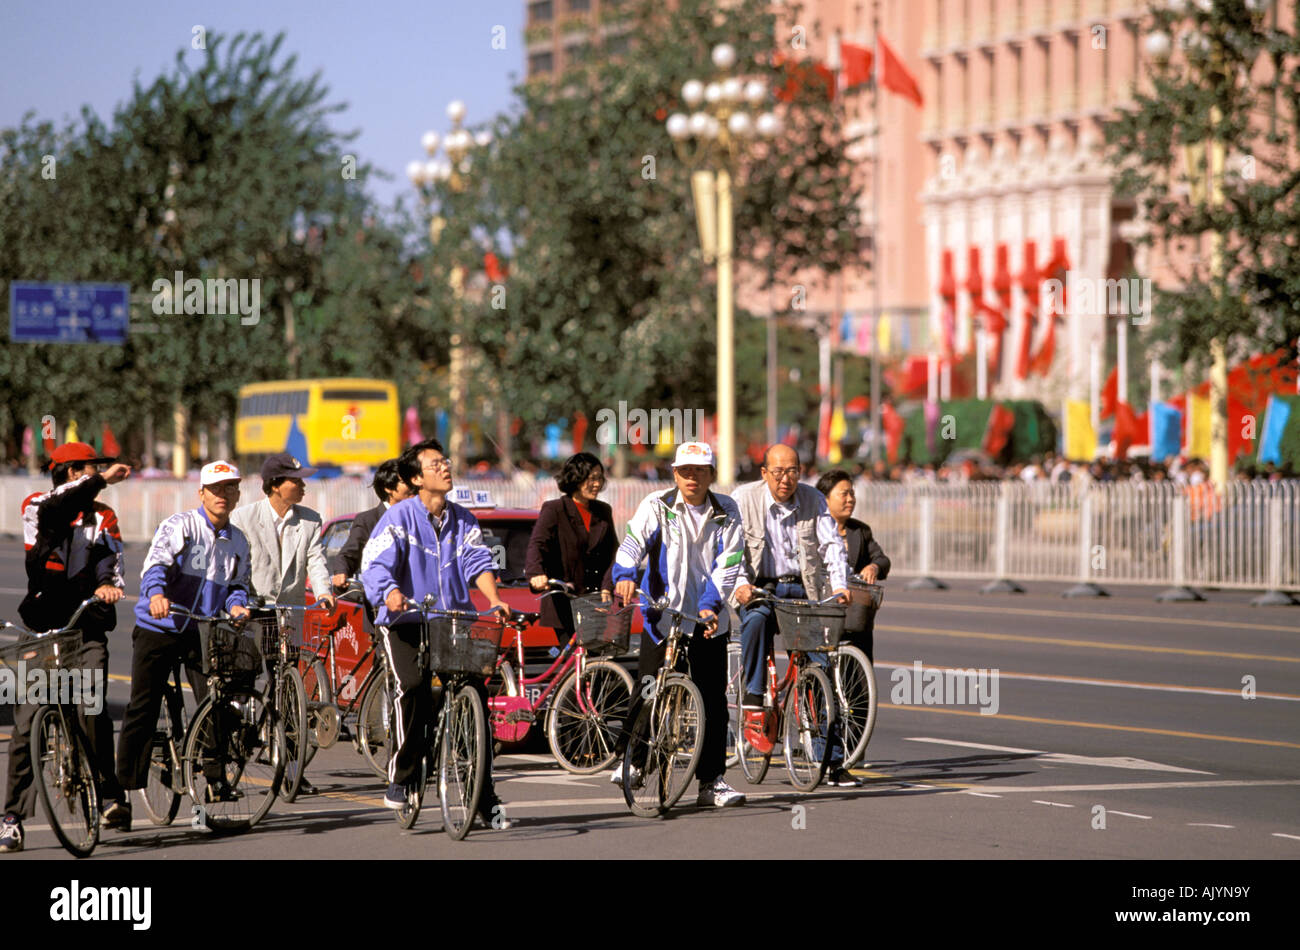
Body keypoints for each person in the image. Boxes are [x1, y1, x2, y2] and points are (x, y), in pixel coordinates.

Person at [360, 438, 513, 828]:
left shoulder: (464, 520)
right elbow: (375, 565)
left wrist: (494, 600)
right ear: (415, 478)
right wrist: (391, 592)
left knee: (473, 696)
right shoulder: (398, 518)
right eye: (434, 464)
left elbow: (478, 562)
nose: (445, 468)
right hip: (406, 622)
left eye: (445, 462)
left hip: (453, 622)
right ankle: (403, 775)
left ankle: (483, 795)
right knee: (412, 688)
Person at [2, 444, 132, 854]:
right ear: (68, 472)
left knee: (92, 710)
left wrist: (108, 584)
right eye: (86, 471)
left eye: (96, 471)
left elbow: (111, 559)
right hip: (39, 627)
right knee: (26, 726)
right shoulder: (36, 505)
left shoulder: (103, 516)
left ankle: (109, 794)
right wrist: (97, 479)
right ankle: (12, 817)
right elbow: (54, 512)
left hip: (84, 627)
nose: (96, 478)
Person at [610, 442, 747, 808]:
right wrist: (624, 574)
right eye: (685, 470)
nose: (692, 477)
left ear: (710, 475)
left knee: (712, 701)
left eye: (700, 470)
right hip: (662, 614)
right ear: (675, 473)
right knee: (649, 689)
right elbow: (633, 542)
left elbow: (729, 563)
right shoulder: (657, 504)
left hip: (707, 618)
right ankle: (634, 762)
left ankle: (711, 782)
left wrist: (709, 606)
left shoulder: (727, 510)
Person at [115, 461, 252, 806]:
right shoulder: (181, 526)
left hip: (201, 630)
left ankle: (215, 778)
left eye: (230, 488)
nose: (223, 495)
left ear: (237, 495)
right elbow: (156, 564)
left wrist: (237, 605)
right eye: (216, 489)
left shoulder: (238, 540)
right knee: (142, 706)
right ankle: (119, 794)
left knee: (215, 701)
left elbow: (238, 585)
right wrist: (157, 595)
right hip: (159, 627)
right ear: (201, 494)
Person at [731, 444, 854, 786]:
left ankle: (831, 760)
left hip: (803, 590)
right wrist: (741, 584)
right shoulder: (743, 500)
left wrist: (840, 585)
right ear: (764, 473)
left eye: (793, 471)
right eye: (778, 472)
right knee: (754, 620)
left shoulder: (813, 500)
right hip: (761, 588)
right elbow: (731, 550)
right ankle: (755, 701)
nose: (786, 480)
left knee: (819, 667)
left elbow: (831, 545)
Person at [525, 452, 616, 638]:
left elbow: (614, 554)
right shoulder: (555, 509)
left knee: (593, 662)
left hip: (594, 603)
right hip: (564, 600)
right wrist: (536, 574)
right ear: (576, 478)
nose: (597, 484)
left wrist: (607, 586)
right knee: (571, 661)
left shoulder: (603, 511)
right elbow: (537, 544)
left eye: (600, 478)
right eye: (591, 479)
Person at [816, 469, 890, 663]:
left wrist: (873, 567)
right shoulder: (811, 530)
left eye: (852, 494)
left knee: (858, 667)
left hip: (854, 614)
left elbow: (882, 559)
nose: (850, 499)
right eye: (844, 494)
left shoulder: (860, 531)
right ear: (825, 499)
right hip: (822, 612)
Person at [328, 458, 412, 591]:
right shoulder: (368, 520)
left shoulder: (419, 518)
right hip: (381, 602)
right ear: (389, 488)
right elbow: (348, 555)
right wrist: (341, 574)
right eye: (405, 481)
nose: (413, 485)